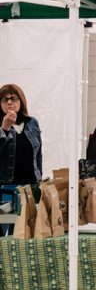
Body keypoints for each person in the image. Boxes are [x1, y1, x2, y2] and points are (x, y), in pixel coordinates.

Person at [1, 84, 44, 236]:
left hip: (29, 187)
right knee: (5, 233)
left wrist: (39, 180)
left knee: (26, 232)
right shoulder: (1, 125)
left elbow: (38, 155)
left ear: (21, 101)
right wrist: (5, 128)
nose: (9, 102)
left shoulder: (32, 123)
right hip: (6, 189)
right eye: (4, 99)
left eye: (13, 98)